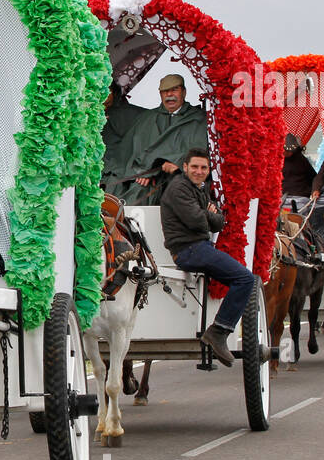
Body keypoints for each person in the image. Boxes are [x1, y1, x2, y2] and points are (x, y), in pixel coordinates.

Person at [160, 148, 255, 367]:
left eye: (203, 168)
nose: (198, 171)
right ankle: (219, 332)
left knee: (243, 279)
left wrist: (208, 214)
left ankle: (218, 331)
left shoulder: (198, 189)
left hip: (198, 247)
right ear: (185, 167)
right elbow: (197, 221)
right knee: (245, 279)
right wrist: (208, 213)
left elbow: (220, 222)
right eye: (194, 167)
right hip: (189, 249)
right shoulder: (179, 188)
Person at [116, 74, 208, 205]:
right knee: (134, 194)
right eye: (165, 91)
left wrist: (178, 165)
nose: (169, 95)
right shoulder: (146, 119)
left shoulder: (198, 119)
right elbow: (130, 152)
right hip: (148, 180)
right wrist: (142, 171)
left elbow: (200, 151)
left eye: (174, 89)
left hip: (183, 176)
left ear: (184, 92)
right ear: (160, 94)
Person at [99, 81, 144, 191]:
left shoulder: (129, 113)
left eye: (107, 90)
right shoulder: (90, 114)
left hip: (119, 174)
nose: (103, 94)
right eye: (99, 90)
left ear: (114, 92)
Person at [281, 133, 317, 213]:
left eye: (290, 151)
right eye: (286, 151)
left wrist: (315, 190)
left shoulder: (301, 160)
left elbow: (313, 177)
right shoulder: (276, 160)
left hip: (301, 198)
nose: (288, 153)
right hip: (282, 198)